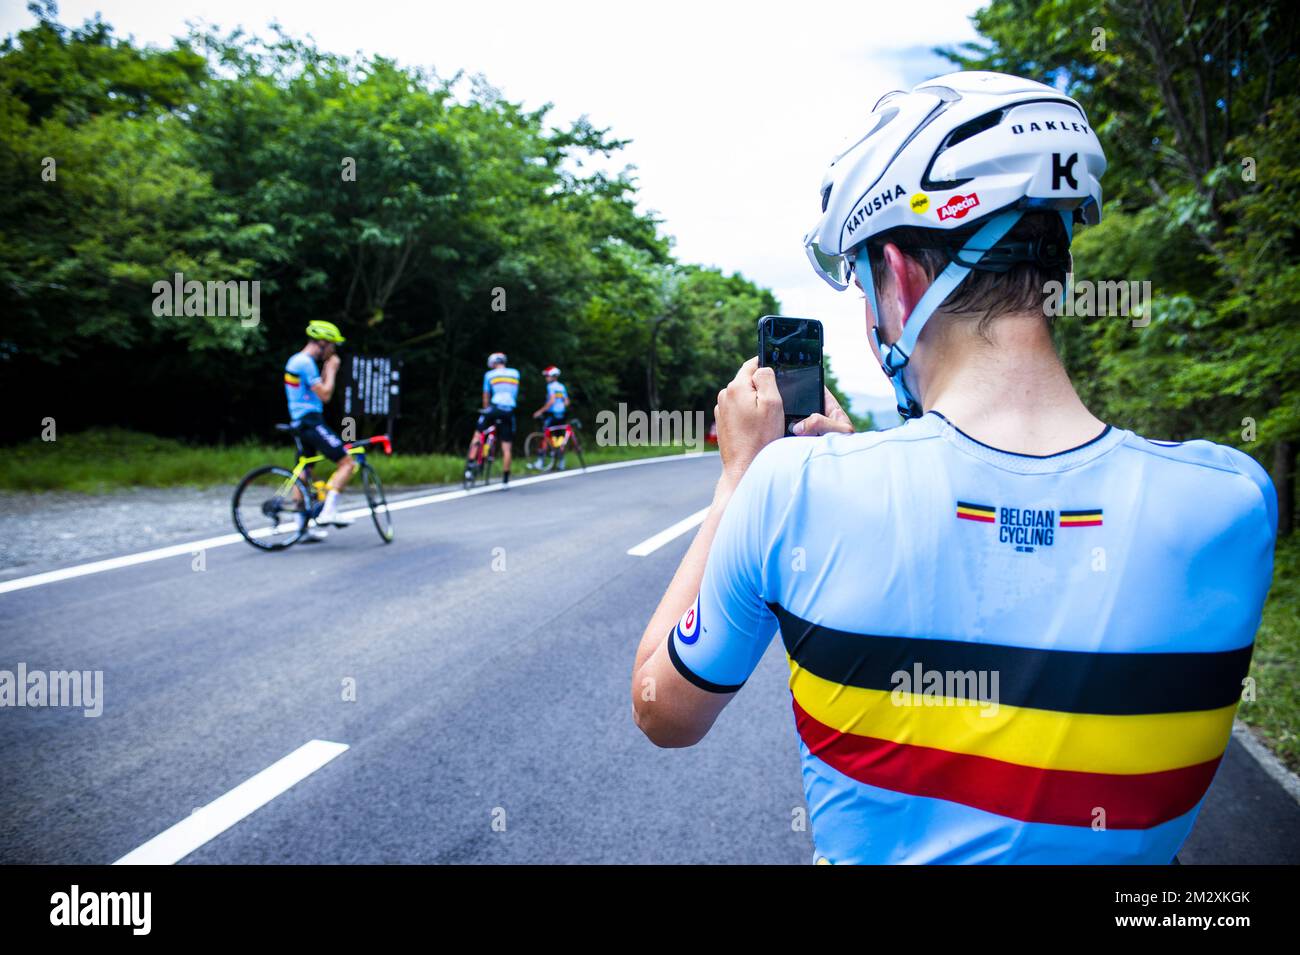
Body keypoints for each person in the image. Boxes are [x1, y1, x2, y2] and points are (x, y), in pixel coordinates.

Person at [630, 71, 1277, 864]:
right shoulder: (1233, 502)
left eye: (863, 278)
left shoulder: (792, 490)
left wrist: (740, 481)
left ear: (897, 276)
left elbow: (663, 709)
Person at [284, 320, 354, 538]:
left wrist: (324, 371)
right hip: (310, 420)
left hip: (300, 419)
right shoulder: (304, 363)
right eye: (332, 344)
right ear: (322, 343)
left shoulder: (297, 361)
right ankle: (329, 512)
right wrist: (331, 370)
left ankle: (301, 529)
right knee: (347, 462)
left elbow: (315, 392)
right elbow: (325, 395)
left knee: (304, 471)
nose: (333, 350)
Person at [467, 352, 519, 487]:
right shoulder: (515, 373)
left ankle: (470, 465)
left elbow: (486, 395)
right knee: (507, 447)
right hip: (508, 411)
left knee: (478, 434)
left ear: (493, 363)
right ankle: (506, 480)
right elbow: (514, 393)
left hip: (494, 408)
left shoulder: (489, 375)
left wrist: (486, 409)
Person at [530, 365, 570, 470]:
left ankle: (541, 461)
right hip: (562, 415)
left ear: (553, 376)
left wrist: (540, 411)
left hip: (552, 415)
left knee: (545, 435)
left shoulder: (551, 387)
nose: (546, 378)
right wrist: (560, 407)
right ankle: (561, 461)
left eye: (547, 376)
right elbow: (566, 402)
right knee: (559, 438)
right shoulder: (561, 387)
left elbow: (551, 401)